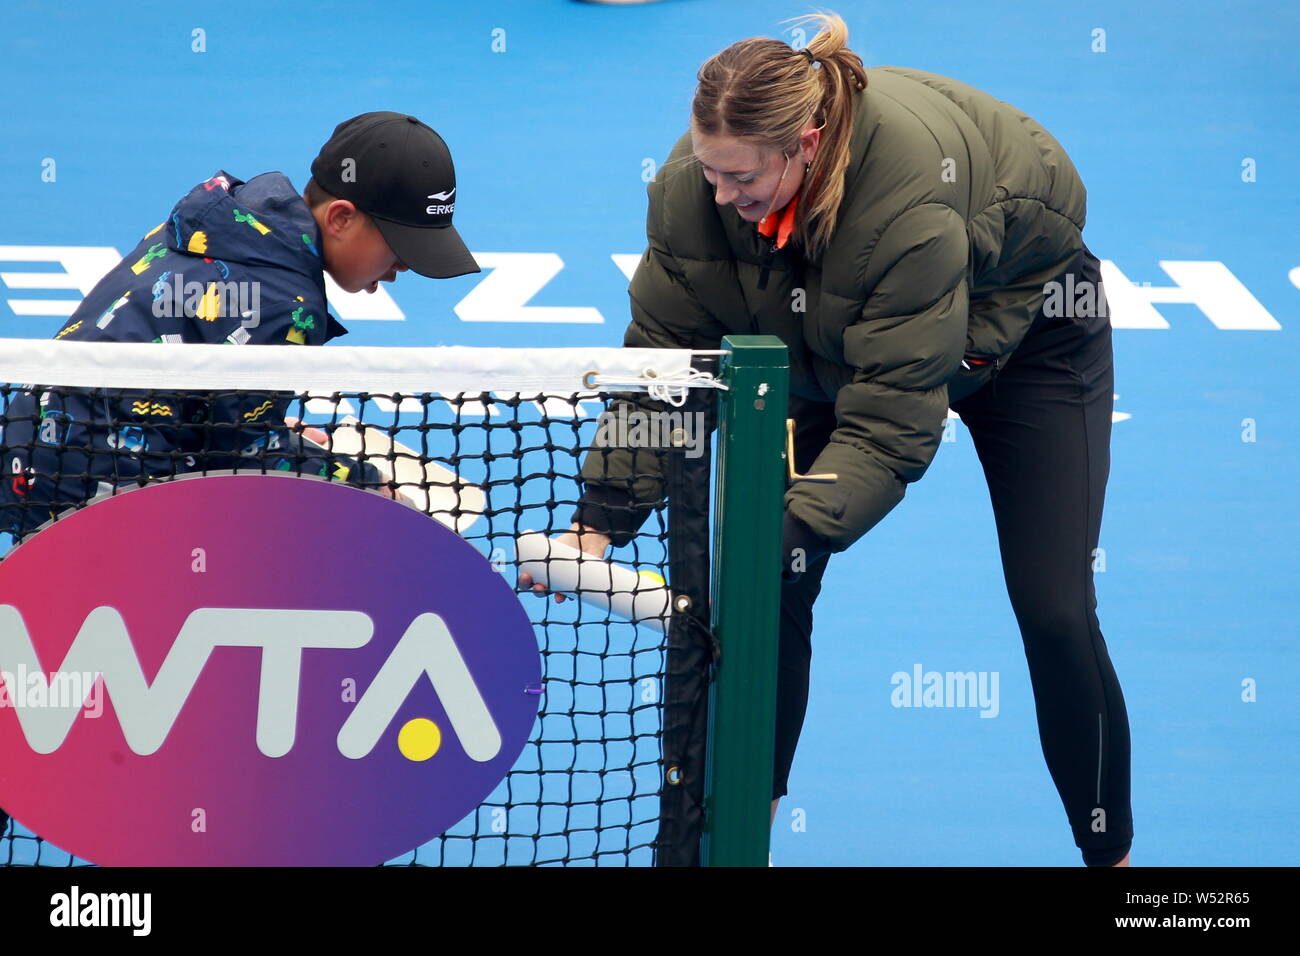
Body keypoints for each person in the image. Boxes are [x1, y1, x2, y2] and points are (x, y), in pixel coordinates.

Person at [523, 13, 1133, 866]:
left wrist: (791, 530)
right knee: (761, 596)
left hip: (1024, 332)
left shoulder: (909, 206)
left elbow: (888, 426)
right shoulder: (693, 193)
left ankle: (1120, 869)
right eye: (709, 171)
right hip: (824, 340)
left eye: (742, 179)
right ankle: (739, 840)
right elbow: (665, 363)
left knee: (1057, 610)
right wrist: (599, 516)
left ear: (806, 145)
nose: (722, 196)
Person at [0, 111, 480, 539]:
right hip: (106, 496)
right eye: (400, 247)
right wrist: (367, 488)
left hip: (37, 451)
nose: (404, 267)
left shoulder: (227, 224)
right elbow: (242, 461)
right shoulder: (285, 306)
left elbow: (215, 412)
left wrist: (264, 425)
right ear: (340, 218)